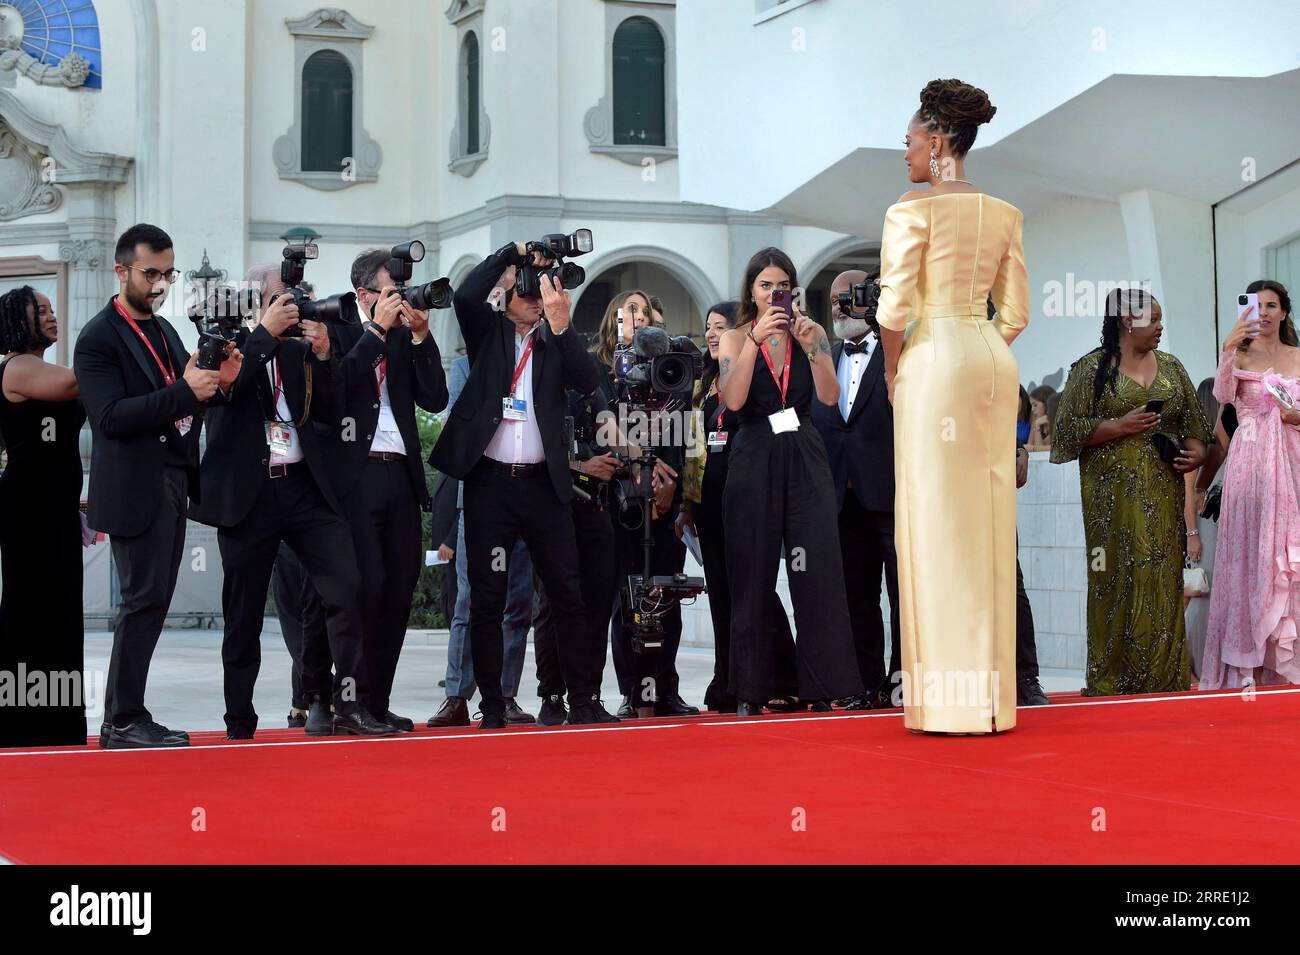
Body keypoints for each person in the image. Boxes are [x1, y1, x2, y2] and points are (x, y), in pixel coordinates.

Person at [875, 79, 1026, 733]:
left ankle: (945, 703)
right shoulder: (1005, 213)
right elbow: (1016, 312)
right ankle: (993, 703)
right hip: (991, 361)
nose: (904, 153)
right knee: (989, 524)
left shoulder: (910, 210)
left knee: (933, 528)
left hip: (934, 363)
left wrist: (891, 367)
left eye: (909, 140)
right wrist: (981, 339)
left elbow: (893, 307)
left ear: (937, 142)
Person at [190, 265, 393, 739]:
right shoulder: (227, 341)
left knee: (345, 588)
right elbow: (227, 393)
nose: (298, 304)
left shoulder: (300, 350)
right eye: (287, 296)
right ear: (260, 301)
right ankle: (239, 719)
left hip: (304, 488)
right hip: (249, 495)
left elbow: (331, 409)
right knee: (243, 614)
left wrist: (323, 357)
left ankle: (346, 705)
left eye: (302, 296)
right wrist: (264, 334)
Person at [429, 241, 615, 729]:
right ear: (507, 291)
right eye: (527, 290)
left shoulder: (555, 339)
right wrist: (510, 258)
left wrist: (560, 323)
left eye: (541, 288)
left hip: (544, 488)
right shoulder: (487, 333)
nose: (534, 296)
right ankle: (492, 706)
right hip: (490, 484)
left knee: (566, 595)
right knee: (486, 601)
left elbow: (587, 379)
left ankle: (583, 699)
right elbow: (466, 295)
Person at [74, 223, 223, 749]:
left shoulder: (166, 331)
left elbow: (183, 395)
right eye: (150, 273)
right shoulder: (97, 337)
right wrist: (186, 392)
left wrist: (214, 385)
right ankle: (121, 719)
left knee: (154, 599)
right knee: (142, 600)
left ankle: (129, 714)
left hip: (173, 480)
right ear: (121, 271)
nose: (160, 284)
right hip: (135, 486)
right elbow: (110, 417)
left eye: (168, 273)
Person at [717, 247, 861, 716]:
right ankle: (751, 690)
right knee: (752, 572)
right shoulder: (735, 338)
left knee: (816, 569)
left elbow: (829, 395)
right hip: (755, 451)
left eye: (781, 286)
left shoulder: (812, 333)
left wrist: (813, 347)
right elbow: (733, 401)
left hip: (804, 448)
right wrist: (756, 342)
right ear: (751, 291)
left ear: (792, 290)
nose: (773, 293)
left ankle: (822, 686)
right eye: (764, 286)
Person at [1052, 288, 1210, 695]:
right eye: (1153, 318)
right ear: (1126, 321)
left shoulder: (1172, 367)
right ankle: (1113, 679)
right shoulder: (1092, 369)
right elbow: (1066, 433)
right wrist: (1118, 426)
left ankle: (1165, 677)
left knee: (1161, 577)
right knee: (1113, 578)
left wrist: (1193, 457)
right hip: (1110, 501)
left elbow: (1196, 431)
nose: (1160, 326)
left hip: (1161, 493)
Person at [326, 249, 449, 732]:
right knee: (365, 588)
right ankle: (347, 703)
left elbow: (435, 397)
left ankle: (376, 702)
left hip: (400, 473)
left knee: (398, 589)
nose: (400, 301)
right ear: (364, 295)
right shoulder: (336, 328)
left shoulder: (403, 335)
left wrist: (420, 335)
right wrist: (375, 332)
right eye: (390, 293)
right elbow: (337, 391)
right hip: (354, 477)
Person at [678, 300, 798, 713]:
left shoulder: (748, 377)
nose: (711, 335)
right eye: (707, 328)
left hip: (747, 496)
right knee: (722, 595)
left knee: (754, 591)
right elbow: (694, 446)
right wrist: (688, 504)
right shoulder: (701, 386)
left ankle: (783, 676)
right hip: (708, 504)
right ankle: (729, 679)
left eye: (719, 327)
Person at [591, 290, 696, 717]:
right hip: (622, 494)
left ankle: (666, 690)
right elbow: (601, 423)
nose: (638, 315)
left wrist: (674, 487)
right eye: (629, 308)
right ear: (613, 318)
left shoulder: (671, 367)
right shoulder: (601, 369)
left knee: (666, 594)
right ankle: (634, 691)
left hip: (667, 493)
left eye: (646, 309)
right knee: (628, 597)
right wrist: (639, 470)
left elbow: (686, 430)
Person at [1200, 280, 1300, 689]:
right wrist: (1228, 348)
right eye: (1256, 305)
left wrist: (1293, 415)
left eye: (1272, 305)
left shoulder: (1297, 356)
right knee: (1250, 553)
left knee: (1287, 556)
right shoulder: (1237, 353)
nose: (1265, 312)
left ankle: (1285, 660)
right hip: (1250, 463)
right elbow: (1223, 396)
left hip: (1293, 460)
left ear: (1284, 311)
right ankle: (1249, 665)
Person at [428, 354, 536, 727]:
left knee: (517, 603)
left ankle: (505, 695)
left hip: (526, 493)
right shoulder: (465, 365)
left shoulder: (535, 356)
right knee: (469, 600)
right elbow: (464, 423)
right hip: (478, 498)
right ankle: (456, 695)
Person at [0, 287, 86, 747]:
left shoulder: (42, 367)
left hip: (53, 507)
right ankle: (24, 725)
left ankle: (55, 726)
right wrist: (110, 344)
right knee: (35, 610)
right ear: (18, 320)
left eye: (54, 309)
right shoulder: (18, 367)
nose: (53, 317)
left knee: (58, 612)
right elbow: (76, 385)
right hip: (28, 510)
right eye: (43, 310)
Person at [811, 270, 901, 711]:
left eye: (848, 297)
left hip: (891, 494)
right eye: (832, 299)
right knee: (856, 599)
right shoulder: (821, 355)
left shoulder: (898, 351)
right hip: (840, 499)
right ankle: (865, 684)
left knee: (904, 596)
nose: (839, 306)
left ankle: (904, 684)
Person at [1183, 377, 1221, 679]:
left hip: (1212, 528)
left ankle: (1202, 660)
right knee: (1200, 592)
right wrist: (1192, 535)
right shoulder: (1200, 443)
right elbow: (1189, 492)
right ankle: (1190, 661)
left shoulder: (1217, 447)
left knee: (1208, 592)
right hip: (1204, 530)